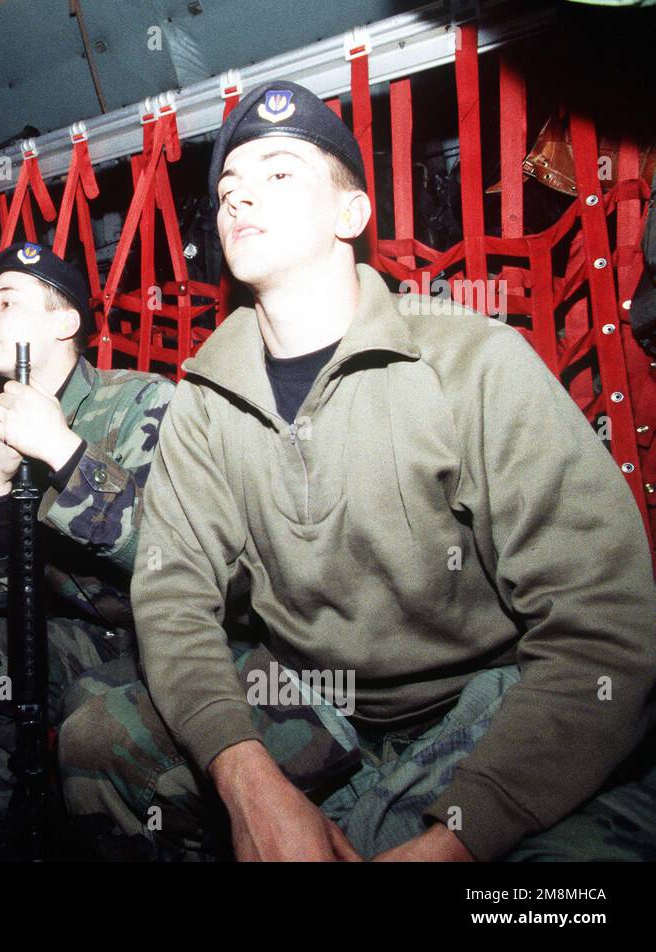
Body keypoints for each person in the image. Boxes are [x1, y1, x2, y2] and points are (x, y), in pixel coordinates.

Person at [59, 81, 656, 862]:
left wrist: (462, 836)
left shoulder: (470, 363)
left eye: (278, 173)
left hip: (493, 702)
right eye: (229, 187)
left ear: (351, 216)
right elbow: (173, 598)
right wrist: (247, 783)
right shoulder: (204, 400)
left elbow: (605, 628)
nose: (239, 198)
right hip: (315, 701)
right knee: (94, 739)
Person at [0, 242, 175, 854]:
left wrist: (64, 453)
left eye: (6, 302)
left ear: (65, 323)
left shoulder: (145, 401)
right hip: (79, 630)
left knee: (95, 715)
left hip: (160, 635)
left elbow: (172, 557)